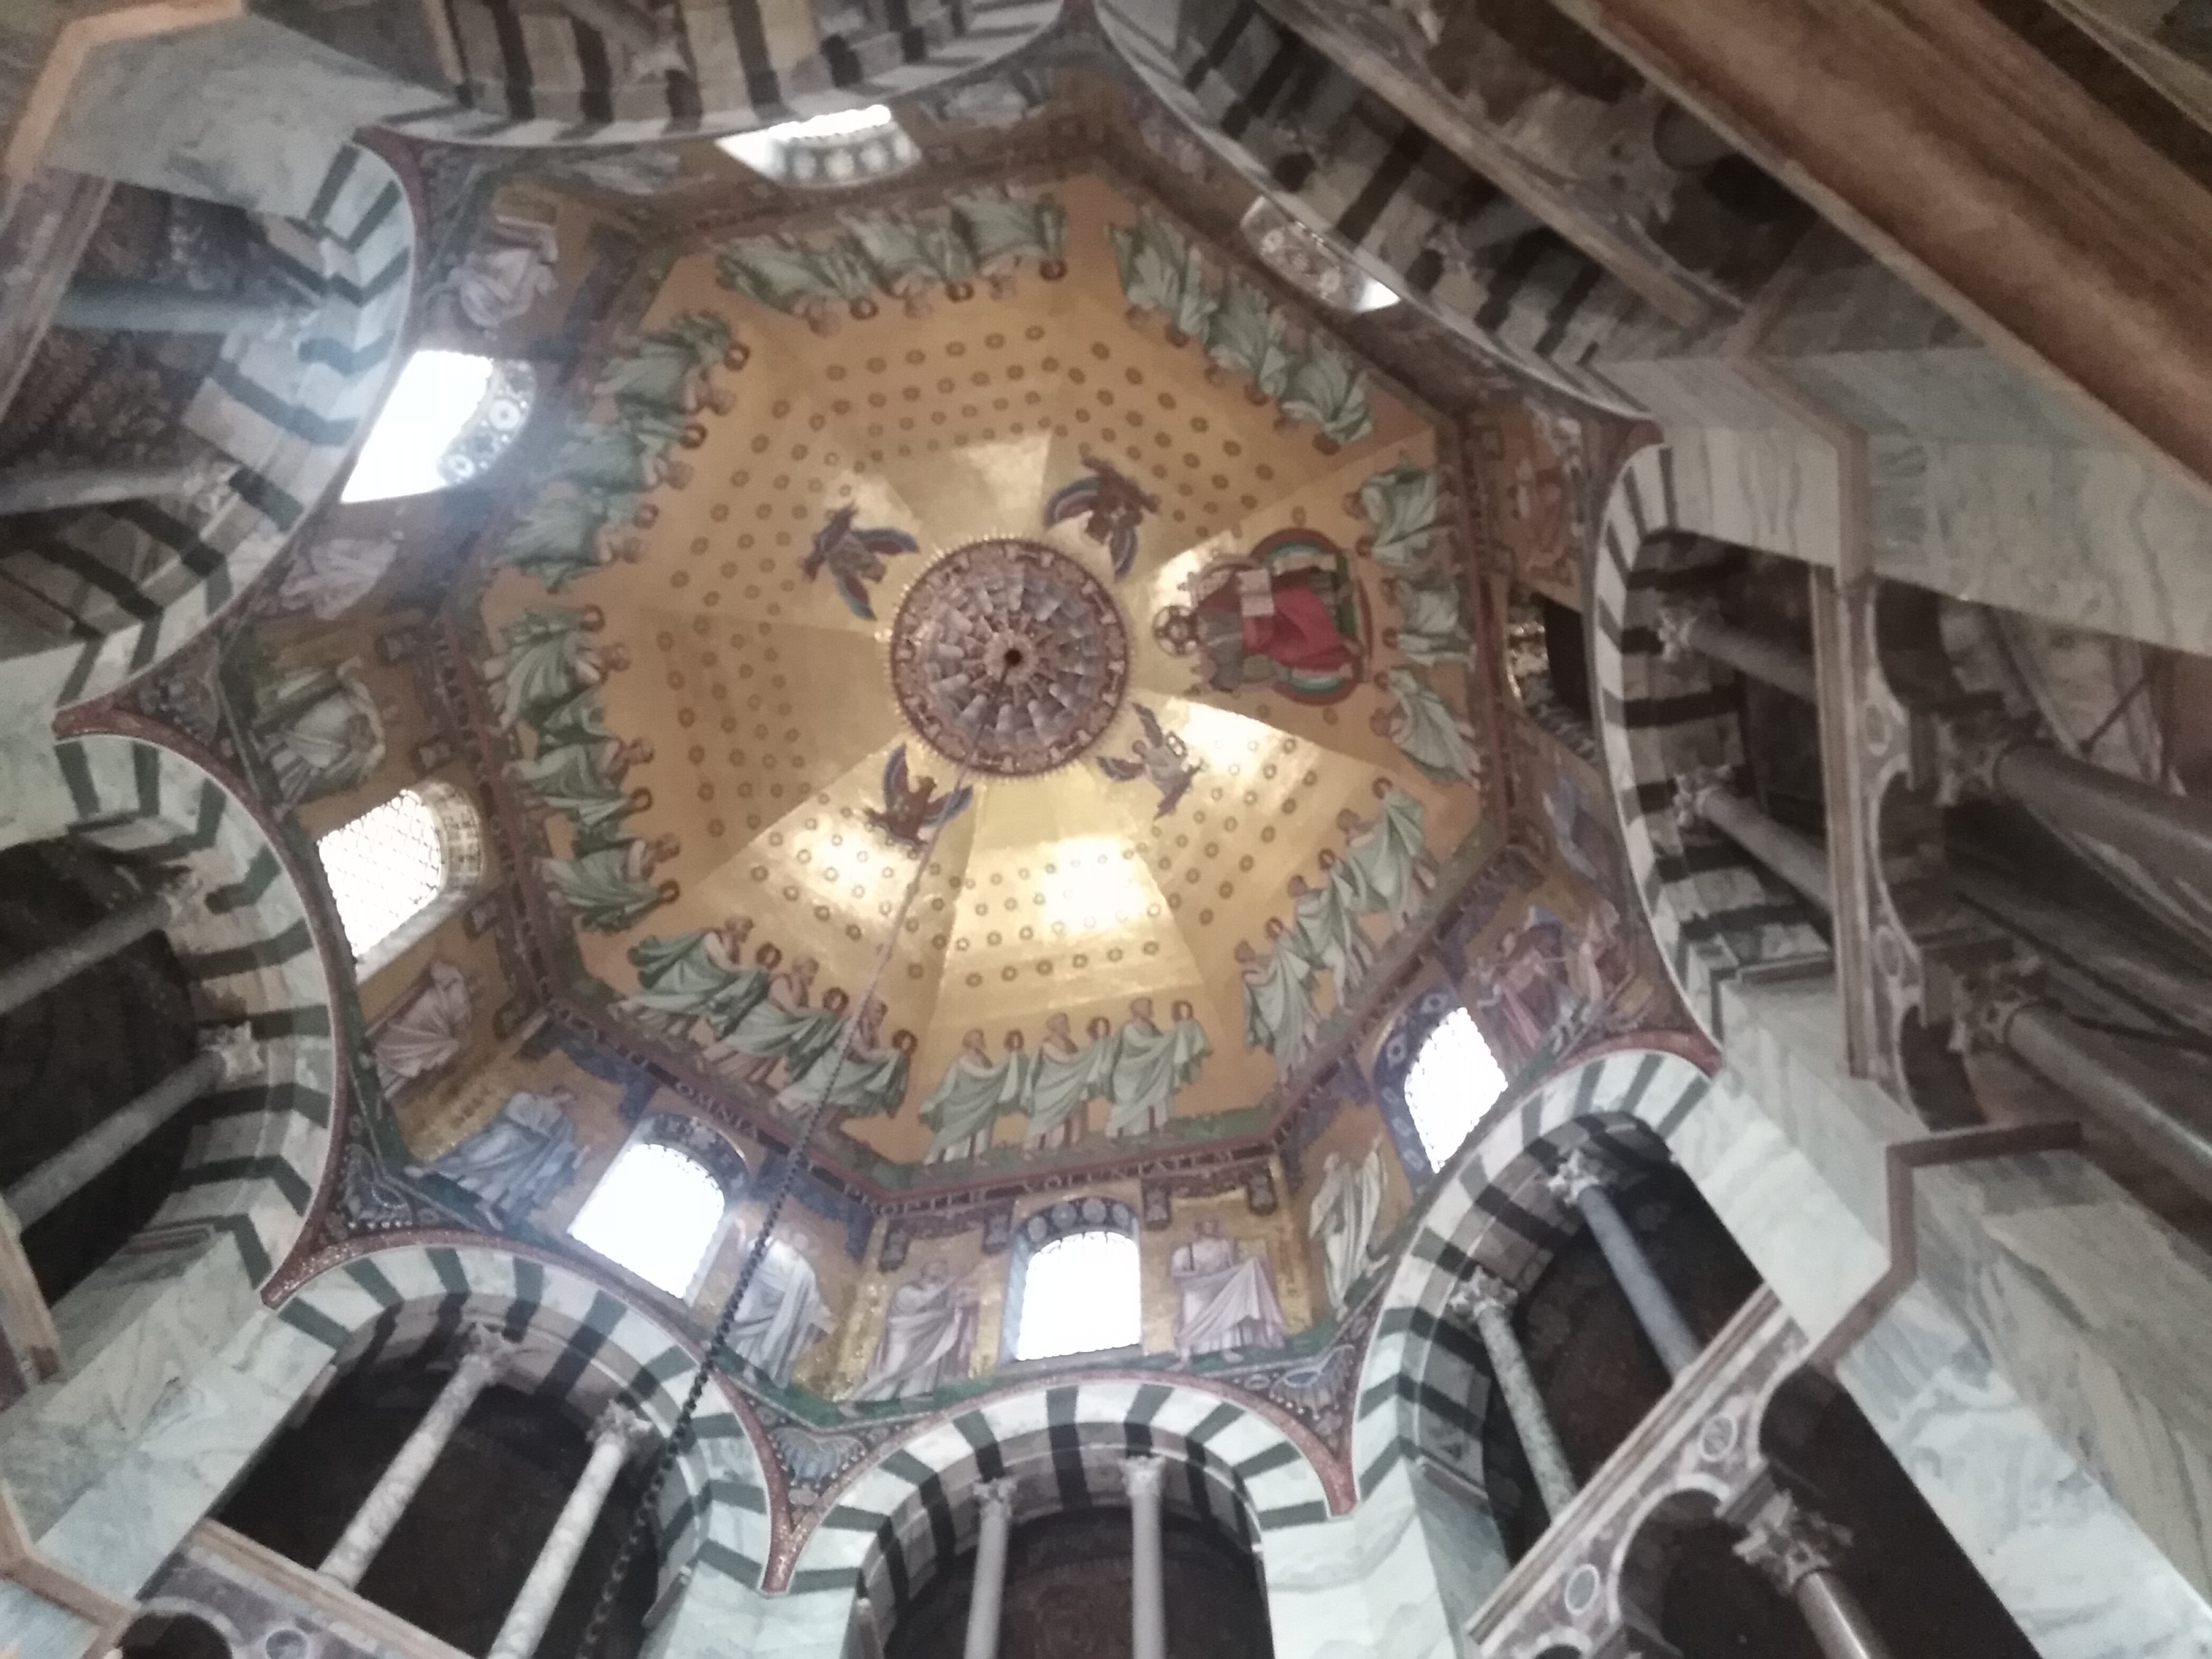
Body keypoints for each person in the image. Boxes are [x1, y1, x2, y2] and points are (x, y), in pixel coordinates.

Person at [413, 1087, 583, 1226]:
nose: (568, 1102)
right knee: (475, 1158)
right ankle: (428, 1170)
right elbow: (510, 1113)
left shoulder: (561, 1119)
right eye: (568, 1097)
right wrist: (532, 1127)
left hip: (526, 1150)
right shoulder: (527, 1098)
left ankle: (485, 1206)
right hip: (507, 1134)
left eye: (571, 1101)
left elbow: (559, 1139)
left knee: (508, 1176)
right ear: (558, 1092)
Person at [253, 659, 388, 805]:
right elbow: (342, 674)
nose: (389, 711)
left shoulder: (377, 742)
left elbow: (360, 749)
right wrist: (351, 667)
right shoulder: (361, 692)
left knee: (292, 766)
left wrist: (358, 733)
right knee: (286, 740)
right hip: (318, 721)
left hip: (324, 747)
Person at [724, 1221, 833, 1389]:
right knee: (738, 1318)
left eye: (805, 1242)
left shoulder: (805, 1271)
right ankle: (718, 1345)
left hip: (778, 1310)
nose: (800, 1242)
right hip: (755, 1295)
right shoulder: (773, 1246)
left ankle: (750, 1368)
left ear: (807, 1247)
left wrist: (821, 1312)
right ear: (792, 1237)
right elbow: (750, 1251)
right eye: (799, 1238)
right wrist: (744, 1233)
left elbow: (811, 1297)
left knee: (766, 1338)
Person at [849, 1261, 980, 1400]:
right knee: (891, 1370)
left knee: (924, 1363)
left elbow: (946, 1308)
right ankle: (855, 1400)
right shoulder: (907, 1291)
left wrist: (962, 1306)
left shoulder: (939, 1292)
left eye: (944, 1269)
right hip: (902, 1336)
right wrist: (950, 1283)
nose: (943, 1272)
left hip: (922, 1334)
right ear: (927, 1271)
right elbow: (924, 1299)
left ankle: (912, 1393)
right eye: (938, 1268)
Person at [1169, 1218, 1288, 1361]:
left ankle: (1227, 1349)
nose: (1209, 1228)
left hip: (1222, 1286)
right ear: (1198, 1228)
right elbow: (1176, 1275)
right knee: (1192, 1308)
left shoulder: (1224, 1246)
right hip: (1197, 1288)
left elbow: (1232, 1267)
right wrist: (1200, 1275)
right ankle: (1186, 1357)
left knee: (1229, 1307)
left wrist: (1248, 1267)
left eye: (1212, 1225)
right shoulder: (1184, 1251)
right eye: (1206, 1225)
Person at [617, 918, 755, 1040]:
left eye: (747, 930)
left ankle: (653, 1027)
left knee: (693, 1003)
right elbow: (721, 962)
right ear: (735, 926)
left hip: (702, 981)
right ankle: (627, 1009)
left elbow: (726, 970)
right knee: (674, 998)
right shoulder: (714, 936)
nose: (745, 933)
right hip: (686, 975)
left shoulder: (734, 948)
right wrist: (742, 970)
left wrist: (737, 972)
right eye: (745, 929)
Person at [369, 959, 476, 1103]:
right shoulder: (456, 983)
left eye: (478, 990)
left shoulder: (458, 989)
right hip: (422, 1020)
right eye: (476, 982)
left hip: (427, 1029)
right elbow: (463, 1037)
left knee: (404, 1059)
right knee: (399, 1050)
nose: (476, 987)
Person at [1103, 998, 1210, 1138]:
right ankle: (1113, 1135)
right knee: (1126, 1105)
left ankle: (1161, 1130)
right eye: (1147, 1007)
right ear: (1137, 1010)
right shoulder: (1130, 1028)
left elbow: (1158, 1042)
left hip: (1150, 1071)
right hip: (1130, 1075)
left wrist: (1173, 1037)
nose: (1150, 1010)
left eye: (1149, 1006)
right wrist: (1168, 1039)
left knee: (1160, 1095)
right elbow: (1141, 1044)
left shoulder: (1149, 1026)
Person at [919, 1029, 1026, 1162]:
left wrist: (1010, 1064)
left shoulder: (984, 1059)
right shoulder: (963, 1060)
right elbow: (983, 1075)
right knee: (955, 1135)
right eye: (976, 1039)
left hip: (981, 1102)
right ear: (969, 1042)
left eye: (981, 1038)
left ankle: (978, 1156)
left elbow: (990, 1081)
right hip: (961, 1105)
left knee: (983, 1127)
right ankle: (940, 1161)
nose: (980, 1041)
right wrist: (1005, 1065)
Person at [539, 834, 679, 933]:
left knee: (605, 899)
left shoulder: (650, 869)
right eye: (668, 850)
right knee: (581, 878)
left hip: (614, 884)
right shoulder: (640, 844)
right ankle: (544, 872)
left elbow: (633, 883)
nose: (667, 854)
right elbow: (631, 872)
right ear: (662, 843)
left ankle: (553, 901)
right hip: (607, 867)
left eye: (670, 854)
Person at [1308, 1141, 1386, 1313]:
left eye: (1336, 1159)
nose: (1335, 1162)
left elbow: (1363, 1181)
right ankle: (1340, 1302)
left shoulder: (1345, 1174)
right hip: (1335, 1232)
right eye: (1331, 1161)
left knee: (1359, 1242)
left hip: (1349, 1225)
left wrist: (1373, 1153)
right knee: (1339, 1264)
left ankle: (1367, 1266)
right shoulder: (1329, 1184)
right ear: (1326, 1166)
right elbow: (1318, 1211)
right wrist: (1329, 1223)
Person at [1238, 921, 1317, 1076]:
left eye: (1249, 948)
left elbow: (1278, 965)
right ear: (1242, 956)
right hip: (1275, 1012)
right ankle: (1285, 1075)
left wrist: (1280, 954)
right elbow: (1266, 978)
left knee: (1304, 1024)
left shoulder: (1260, 961)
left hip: (1284, 1001)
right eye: (1247, 950)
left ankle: (1309, 1059)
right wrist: (1279, 958)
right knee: (1287, 1043)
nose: (1251, 950)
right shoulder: (1247, 975)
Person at [1021, 1012, 1109, 1149]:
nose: (1067, 1026)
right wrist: (1091, 1052)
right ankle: (1033, 1150)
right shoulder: (1047, 1046)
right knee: (1043, 1126)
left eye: (1066, 1022)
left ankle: (1062, 1149)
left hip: (1067, 1091)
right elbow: (1066, 1062)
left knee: (1066, 1126)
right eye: (1062, 1023)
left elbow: (1074, 1062)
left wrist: (1093, 1050)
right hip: (1049, 1093)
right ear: (1054, 1027)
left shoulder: (1068, 1043)